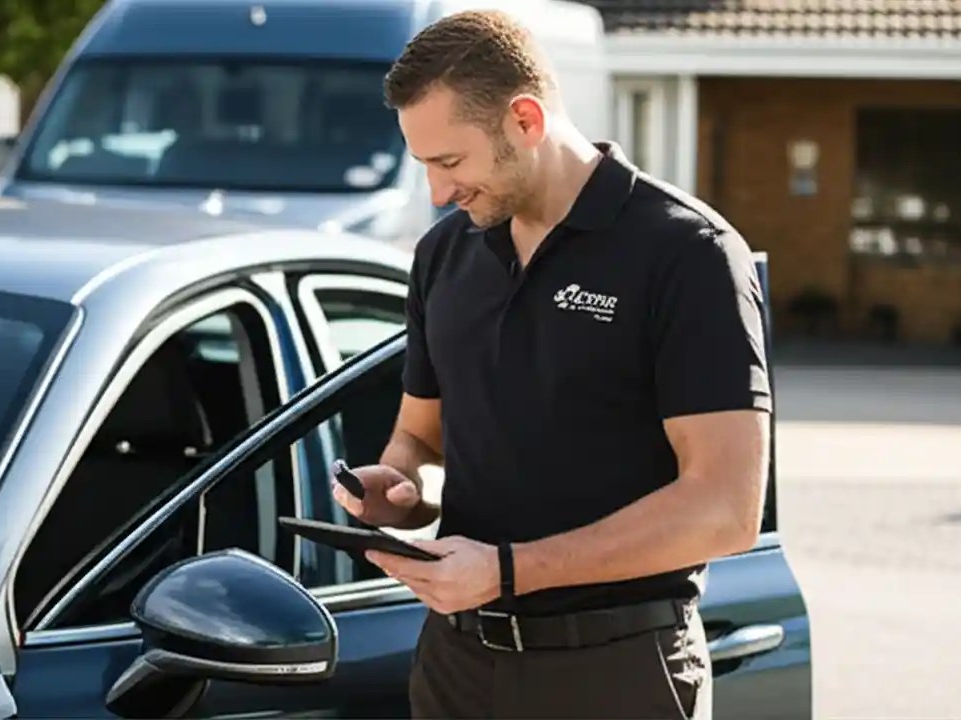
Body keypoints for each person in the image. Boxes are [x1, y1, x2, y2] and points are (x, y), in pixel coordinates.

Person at [331, 9, 772, 720]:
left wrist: (506, 572)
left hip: (617, 671)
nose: (440, 194)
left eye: (450, 162)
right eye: (426, 167)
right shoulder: (443, 256)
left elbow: (725, 510)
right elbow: (423, 440)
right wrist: (402, 490)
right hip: (456, 666)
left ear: (525, 120)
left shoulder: (688, 253)